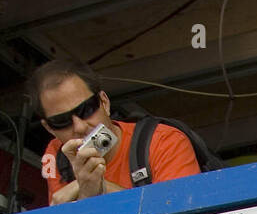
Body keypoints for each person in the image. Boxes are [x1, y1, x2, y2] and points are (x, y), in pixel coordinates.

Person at [30, 59, 201, 206]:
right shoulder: (55, 154)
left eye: (87, 109)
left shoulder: (163, 140)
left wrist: (100, 189)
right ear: (49, 128)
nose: (80, 127)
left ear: (104, 102)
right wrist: (87, 192)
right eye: (62, 121)